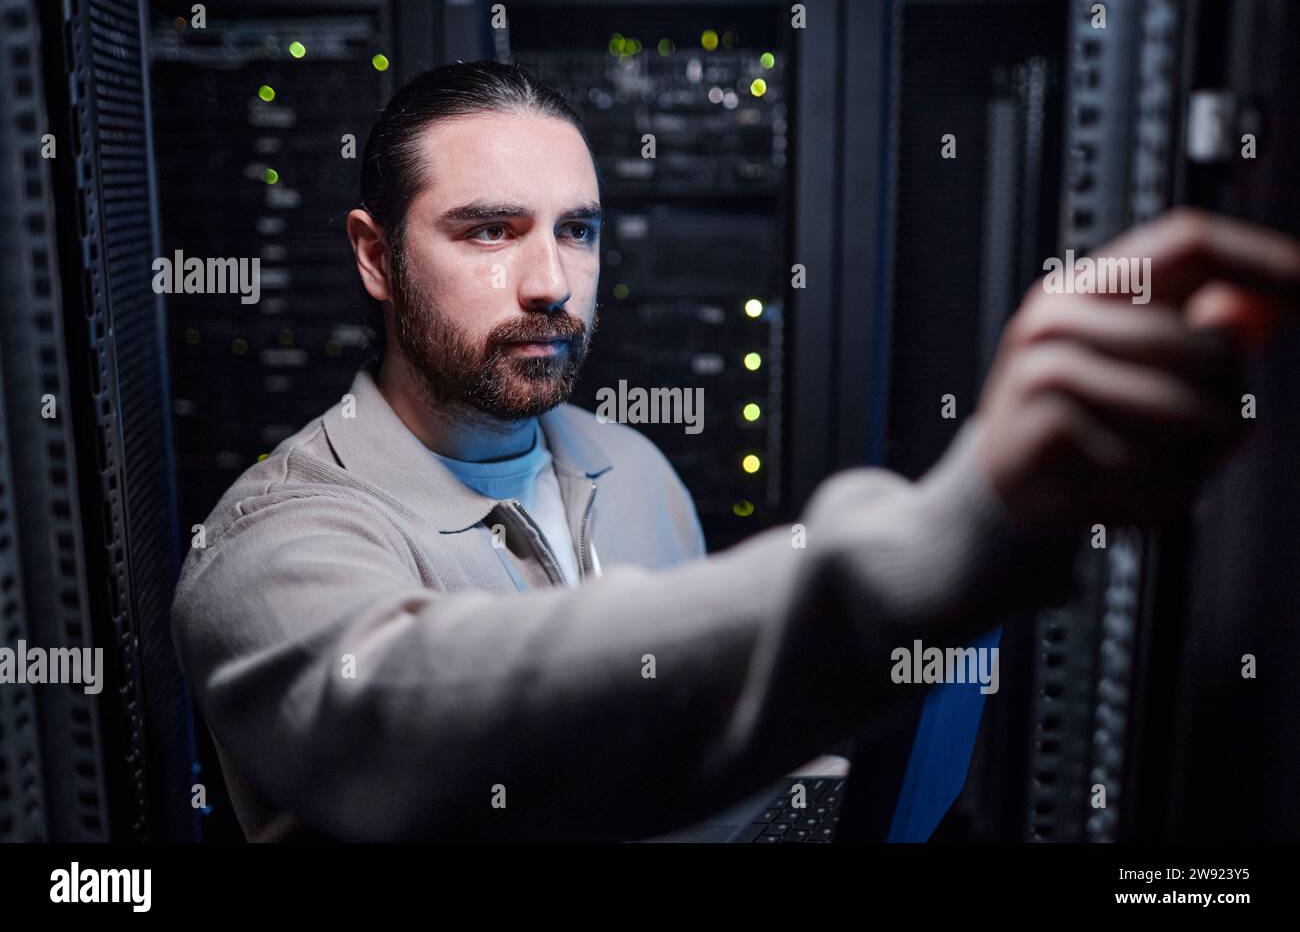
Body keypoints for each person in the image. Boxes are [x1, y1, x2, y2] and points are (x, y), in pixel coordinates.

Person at [170, 60, 1300, 841]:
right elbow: (428, 725)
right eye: (487, 229)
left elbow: (659, 734)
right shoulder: (272, 542)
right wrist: (942, 540)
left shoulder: (631, 467)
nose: (550, 282)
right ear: (375, 257)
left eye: (578, 229)